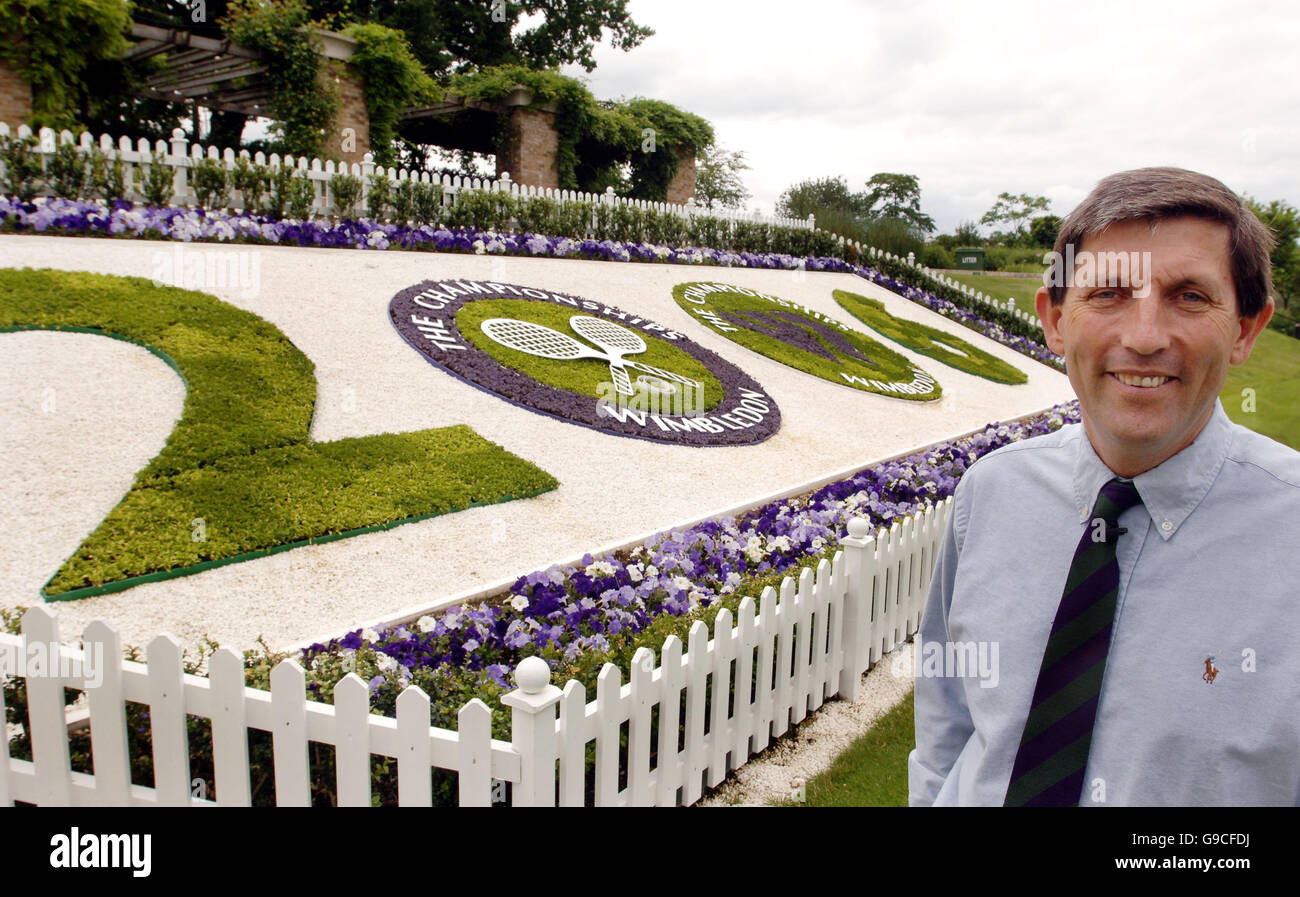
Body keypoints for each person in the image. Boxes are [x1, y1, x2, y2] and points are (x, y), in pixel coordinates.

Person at [908, 167, 1300, 806]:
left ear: (1247, 330)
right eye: (1110, 293)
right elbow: (947, 718)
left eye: (1190, 297)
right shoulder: (992, 493)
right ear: (1055, 320)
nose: (1144, 337)